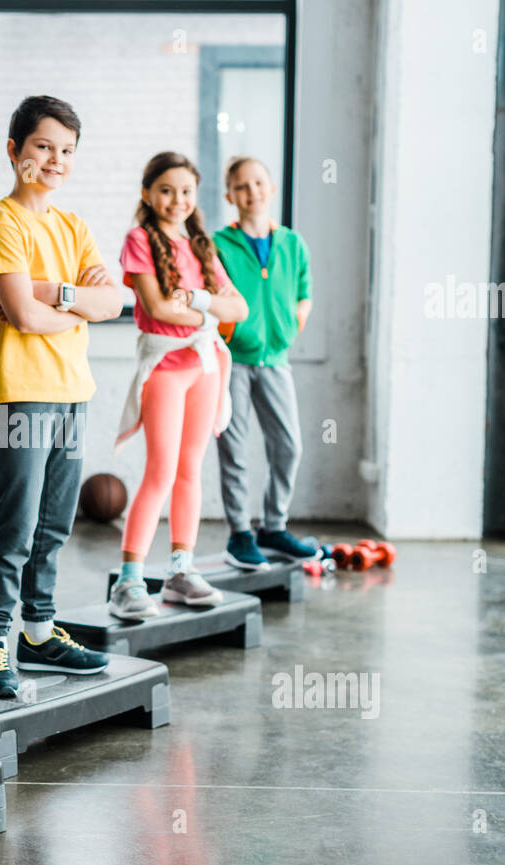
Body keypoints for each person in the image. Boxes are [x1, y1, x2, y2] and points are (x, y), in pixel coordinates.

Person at [0, 95, 123, 697]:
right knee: (17, 523)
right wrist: (73, 305)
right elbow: (23, 317)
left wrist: (53, 296)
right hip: (20, 395)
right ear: (15, 151)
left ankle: (38, 632)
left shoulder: (72, 226)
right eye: (43, 147)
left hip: (71, 393)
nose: (55, 160)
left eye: (66, 151)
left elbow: (112, 303)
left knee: (56, 522)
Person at [108, 152, 248, 621]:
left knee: (190, 469)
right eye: (166, 190)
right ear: (148, 193)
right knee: (160, 471)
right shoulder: (139, 240)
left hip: (204, 365)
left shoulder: (200, 246)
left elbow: (241, 310)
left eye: (186, 191)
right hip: (165, 367)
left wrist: (204, 306)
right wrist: (211, 311)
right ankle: (129, 580)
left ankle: (180, 571)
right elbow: (160, 308)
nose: (177, 200)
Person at [212, 156, 318, 568]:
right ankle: (240, 534)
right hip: (232, 360)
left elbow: (305, 290)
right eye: (241, 186)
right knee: (234, 449)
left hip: (275, 359)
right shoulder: (220, 244)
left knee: (289, 445)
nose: (251, 191)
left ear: (271, 188)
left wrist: (293, 324)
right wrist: (232, 332)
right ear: (230, 196)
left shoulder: (293, 244)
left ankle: (273, 526)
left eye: (258, 183)